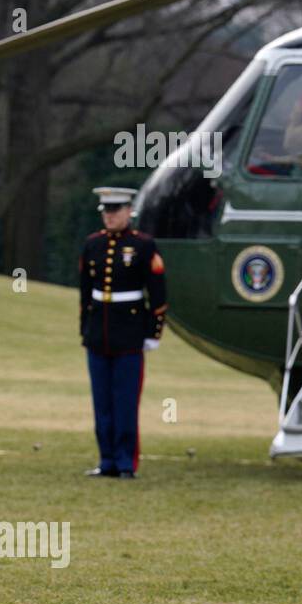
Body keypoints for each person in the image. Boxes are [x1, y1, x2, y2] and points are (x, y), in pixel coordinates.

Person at [79, 187, 167, 479]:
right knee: (101, 403)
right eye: (106, 211)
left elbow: (157, 292)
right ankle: (106, 461)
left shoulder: (143, 245)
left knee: (125, 402)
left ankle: (126, 462)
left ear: (129, 211)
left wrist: (154, 332)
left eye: (115, 211)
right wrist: (85, 330)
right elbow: (85, 292)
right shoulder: (92, 244)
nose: (110, 216)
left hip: (129, 333)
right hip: (99, 333)